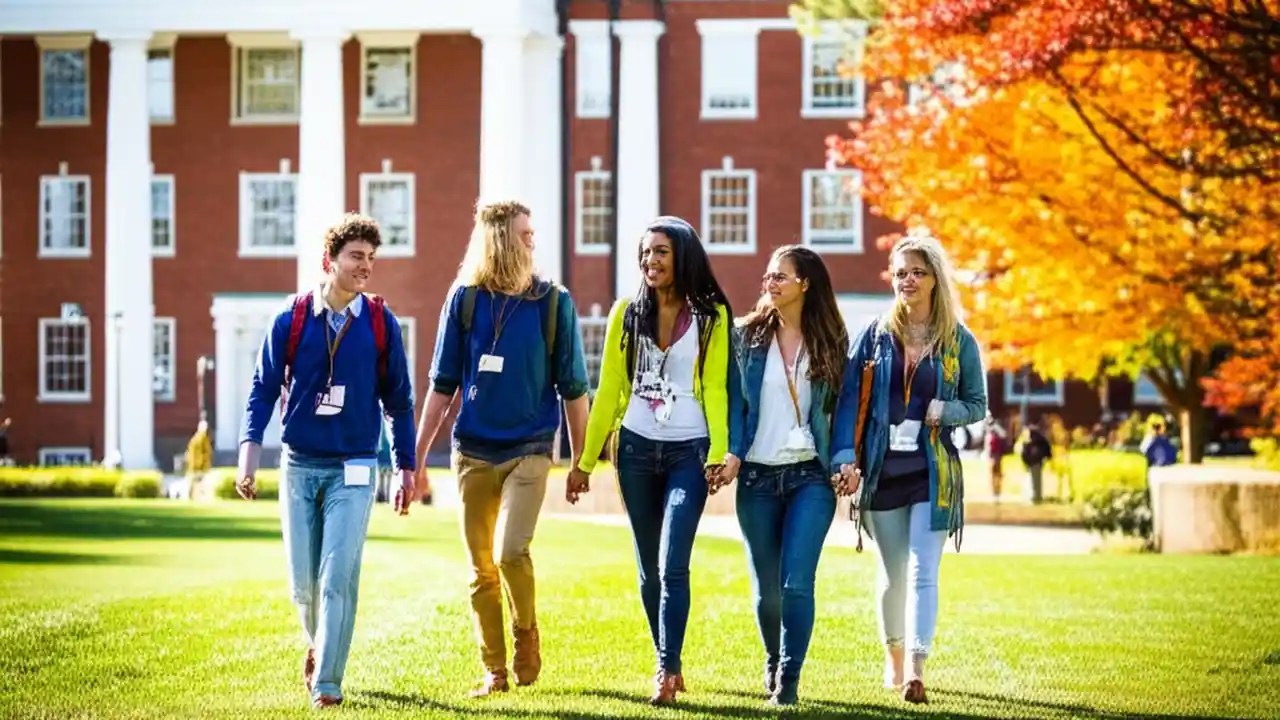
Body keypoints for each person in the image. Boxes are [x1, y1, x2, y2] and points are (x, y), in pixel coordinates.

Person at [235, 213, 417, 709]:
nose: (365, 267)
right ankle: (319, 645)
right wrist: (248, 455)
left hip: (355, 467)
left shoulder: (380, 324)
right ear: (328, 261)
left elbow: (399, 400)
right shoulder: (291, 321)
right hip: (298, 464)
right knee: (304, 584)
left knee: (338, 575)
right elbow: (261, 391)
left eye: (371, 258)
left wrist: (406, 466)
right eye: (356, 257)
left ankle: (329, 683)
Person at [414, 200, 590, 698]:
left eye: (534, 233)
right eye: (524, 234)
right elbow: (442, 384)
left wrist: (580, 461)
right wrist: (418, 458)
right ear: (498, 240)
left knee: (512, 551)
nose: (533, 241)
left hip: (531, 446)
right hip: (472, 451)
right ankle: (494, 670)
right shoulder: (465, 300)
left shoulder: (553, 303)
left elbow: (574, 388)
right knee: (480, 570)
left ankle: (526, 633)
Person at [566, 216, 731, 705]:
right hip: (635, 448)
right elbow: (611, 388)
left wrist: (719, 452)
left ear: (682, 255)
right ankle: (666, 659)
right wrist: (585, 460)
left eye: (660, 251)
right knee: (648, 568)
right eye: (645, 252)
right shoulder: (626, 313)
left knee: (673, 560)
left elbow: (717, 388)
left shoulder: (712, 315)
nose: (650, 260)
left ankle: (667, 668)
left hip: (690, 450)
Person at [830, 232, 987, 705]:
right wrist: (844, 459)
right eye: (900, 272)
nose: (908, 280)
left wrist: (945, 410)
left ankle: (917, 668)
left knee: (923, 571)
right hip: (881, 473)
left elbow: (977, 403)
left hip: (931, 473)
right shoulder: (875, 336)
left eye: (917, 271)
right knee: (893, 574)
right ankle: (894, 660)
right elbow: (847, 405)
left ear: (935, 279)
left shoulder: (959, 341)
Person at [719, 246, 848, 706]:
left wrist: (845, 457)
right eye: (768, 276)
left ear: (806, 284)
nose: (770, 283)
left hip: (809, 479)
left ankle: (789, 682)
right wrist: (732, 452)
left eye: (781, 276)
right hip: (756, 478)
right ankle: (773, 660)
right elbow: (734, 401)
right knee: (767, 588)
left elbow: (843, 409)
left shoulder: (831, 340)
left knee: (797, 582)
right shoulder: (746, 337)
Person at [1019, 422, 1052, 503]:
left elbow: (1024, 453)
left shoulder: (1029, 442)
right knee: (1037, 479)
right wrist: (1048, 457)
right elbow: (1047, 449)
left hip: (1032, 461)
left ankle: (1035, 496)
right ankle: (1038, 495)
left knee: (1034, 479)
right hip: (1038, 461)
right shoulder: (1041, 440)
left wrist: (1025, 462)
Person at [184, 419, 213, 500]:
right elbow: (203, 453)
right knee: (200, 485)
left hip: (194, 466)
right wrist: (201, 465)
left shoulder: (195, 438)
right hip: (199, 467)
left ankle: (191, 497)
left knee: (193, 484)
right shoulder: (202, 438)